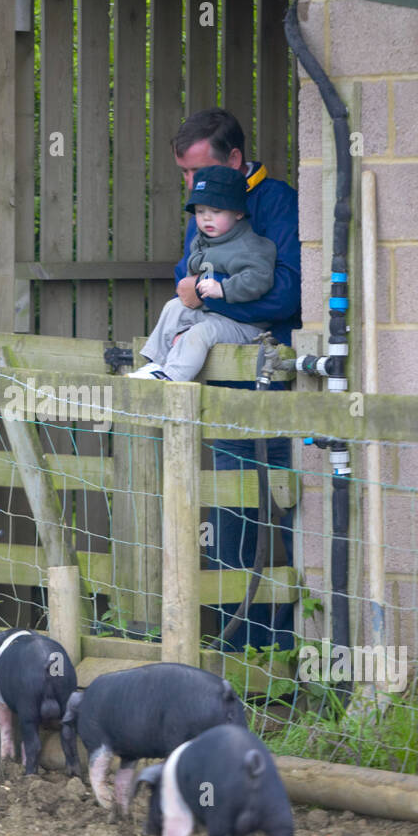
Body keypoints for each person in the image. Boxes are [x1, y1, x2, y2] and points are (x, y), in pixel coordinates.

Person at [171, 109, 301, 653]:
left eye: (200, 170)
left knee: (287, 506)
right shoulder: (204, 212)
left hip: (273, 382)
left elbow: (290, 295)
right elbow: (185, 287)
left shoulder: (279, 204)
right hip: (226, 383)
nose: (193, 188)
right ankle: (235, 651)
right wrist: (206, 291)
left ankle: (286, 649)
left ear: (235, 160)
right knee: (230, 511)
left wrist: (214, 291)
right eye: (184, 175)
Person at [128, 166, 276, 382]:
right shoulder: (202, 241)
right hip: (212, 315)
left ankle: (171, 379)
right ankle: (156, 364)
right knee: (174, 307)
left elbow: (260, 279)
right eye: (200, 211)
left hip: (246, 327)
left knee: (200, 333)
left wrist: (223, 288)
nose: (207, 218)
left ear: (238, 212)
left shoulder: (250, 246)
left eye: (216, 212)